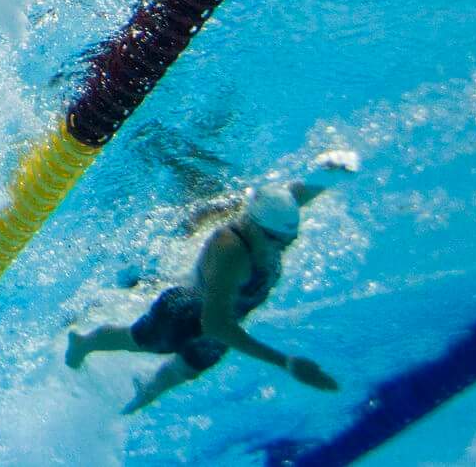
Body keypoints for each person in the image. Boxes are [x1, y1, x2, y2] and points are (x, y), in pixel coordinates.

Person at [66, 151, 360, 413]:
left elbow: (297, 194)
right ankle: (84, 342)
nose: (280, 249)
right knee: (139, 341)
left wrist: (329, 172)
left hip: (224, 320)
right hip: (186, 312)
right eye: (277, 241)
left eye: (288, 242)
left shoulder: (270, 222)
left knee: (187, 369)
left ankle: (141, 396)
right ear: (256, 228)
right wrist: (286, 363)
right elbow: (216, 325)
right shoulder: (230, 251)